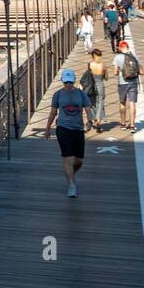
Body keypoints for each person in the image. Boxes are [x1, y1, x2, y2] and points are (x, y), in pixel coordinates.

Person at [45, 68, 93, 197]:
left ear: (74, 81)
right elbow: (53, 112)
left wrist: (89, 121)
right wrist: (48, 128)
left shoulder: (81, 94)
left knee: (79, 160)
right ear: (62, 81)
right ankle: (71, 185)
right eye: (66, 82)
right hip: (62, 128)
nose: (68, 85)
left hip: (78, 129)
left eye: (70, 82)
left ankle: (69, 173)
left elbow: (88, 109)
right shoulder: (58, 94)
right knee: (68, 158)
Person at [113, 39, 142, 132]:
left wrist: (119, 72)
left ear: (121, 48)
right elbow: (141, 71)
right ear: (127, 47)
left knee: (122, 102)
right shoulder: (134, 56)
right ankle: (132, 125)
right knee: (132, 103)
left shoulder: (118, 57)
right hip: (133, 82)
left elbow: (115, 73)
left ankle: (123, 124)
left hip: (123, 82)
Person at [87, 48, 107, 130]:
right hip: (100, 85)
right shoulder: (103, 65)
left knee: (92, 103)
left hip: (91, 86)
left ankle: (95, 118)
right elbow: (106, 78)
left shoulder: (89, 65)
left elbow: (88, 76)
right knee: (100, 102)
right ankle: (98, 119)